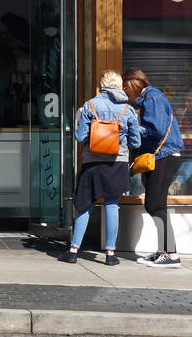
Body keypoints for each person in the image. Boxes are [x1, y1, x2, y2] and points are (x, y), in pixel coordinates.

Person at [62, 71, 140, 265]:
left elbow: (80, 138)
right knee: (111, 204)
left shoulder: (89, 105)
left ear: (101, 85)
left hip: (92, 163)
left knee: (85, 204)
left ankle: (73, 251)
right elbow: (136, 142)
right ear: (120, 85)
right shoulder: (127, 109)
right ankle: (111, 254)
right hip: (117, 163)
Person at [124, 68, 185, 268]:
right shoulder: (150, 97)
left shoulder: (152, 98)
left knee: (155, 205)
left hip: (164, 156)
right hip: (163, 155)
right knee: (157, 205)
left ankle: (172, 254)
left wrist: (131, 126)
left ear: (133, 84)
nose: (125, 91)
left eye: (125, 86)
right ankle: (164, 251)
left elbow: (155, 130)